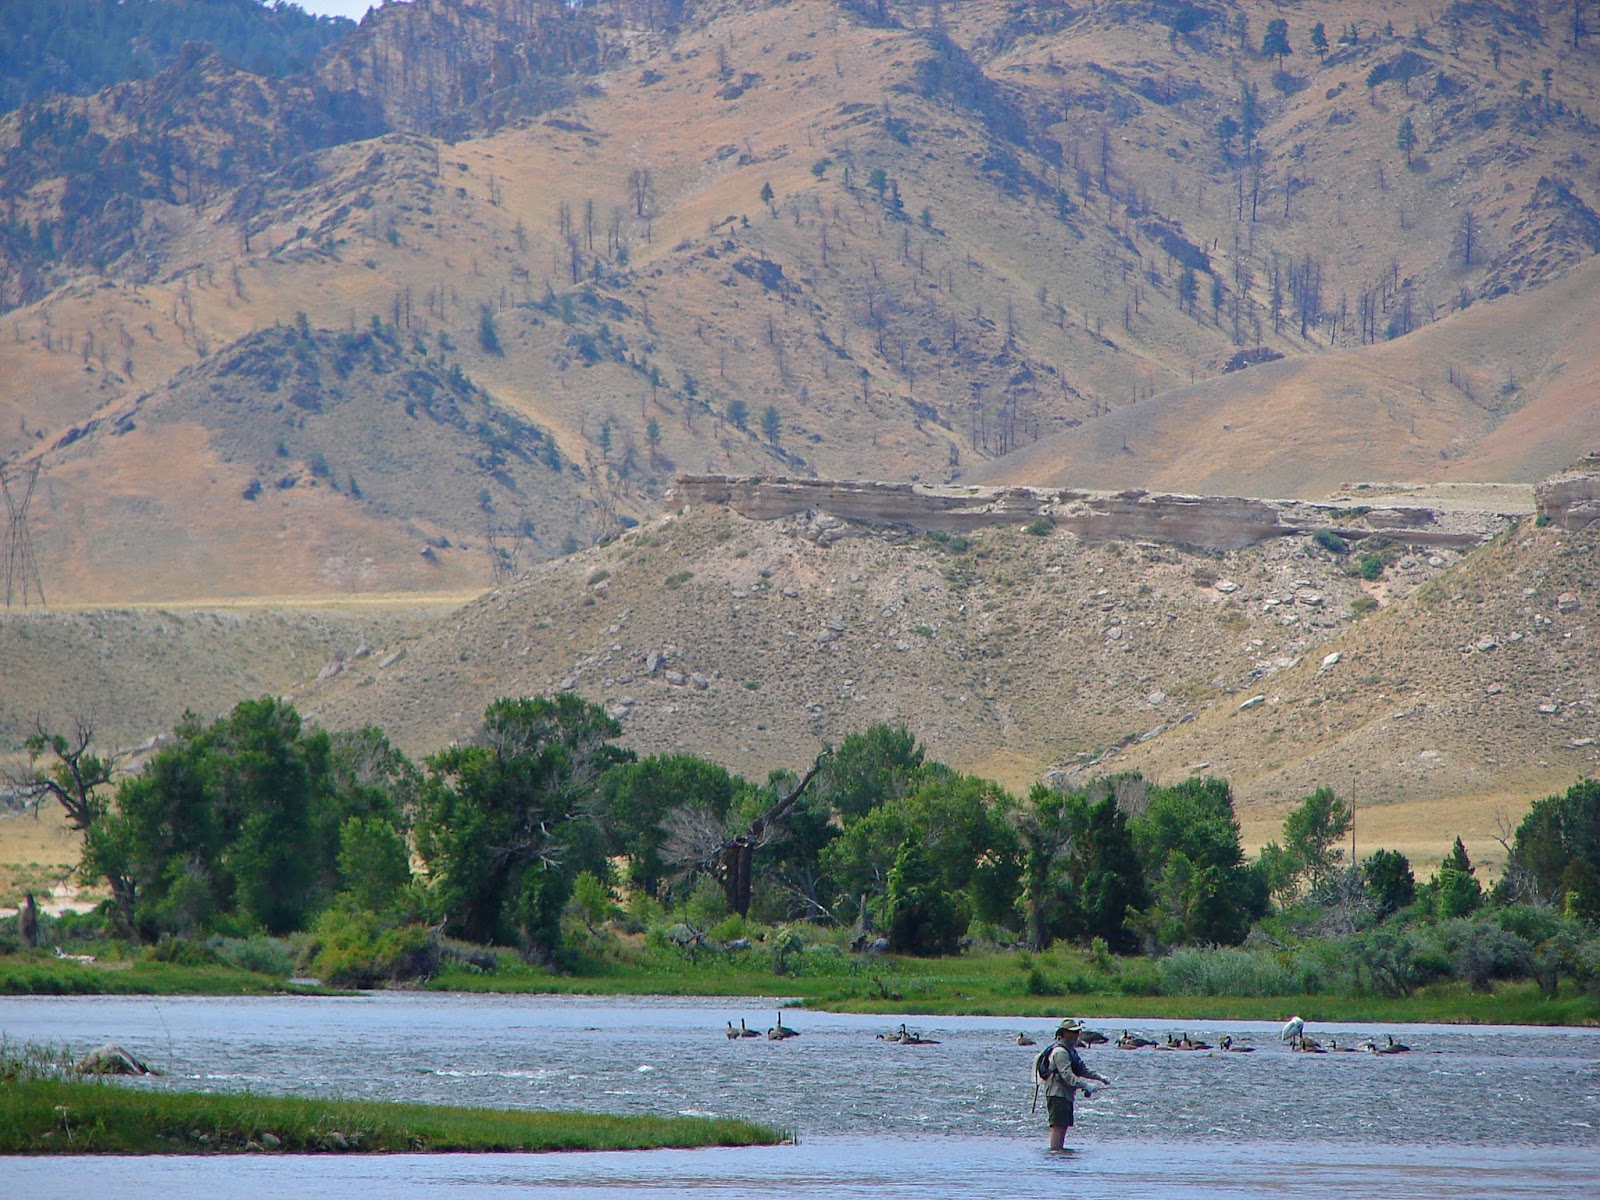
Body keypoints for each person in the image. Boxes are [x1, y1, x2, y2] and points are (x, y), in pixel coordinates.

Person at [1041, 1019, 1109, 1151]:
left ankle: (1058, 1152)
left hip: (1066, 1094)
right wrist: (1086, 1085)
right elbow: (1067, 1076)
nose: (1077, 1034)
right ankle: (1056, 1154)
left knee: (1064, 1125)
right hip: (1057, 1093)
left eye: (1077, 1031)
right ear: (1064, 1033)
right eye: (1073, 1032)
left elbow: (1082, 1069)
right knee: (1058, 1126)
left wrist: (1099, 1077)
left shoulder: (1071, 1050)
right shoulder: (1060, 1052)